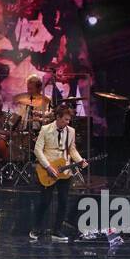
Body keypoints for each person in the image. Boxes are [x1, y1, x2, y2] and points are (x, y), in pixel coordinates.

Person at [31, 104, 87, 243]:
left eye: (69, 120)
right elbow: (37, 150)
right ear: (57, 117)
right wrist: (48, 166)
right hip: (49, 169)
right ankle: (36, 228)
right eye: (65, 119)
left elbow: (72, 149)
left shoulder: (71, 131)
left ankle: (57, 230)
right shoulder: (45, 129)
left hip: (65, 170)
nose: (67, 122)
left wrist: (80, 160)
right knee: (45, 201)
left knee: (63, 201)